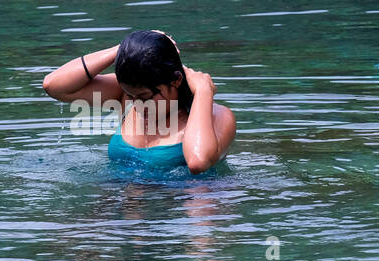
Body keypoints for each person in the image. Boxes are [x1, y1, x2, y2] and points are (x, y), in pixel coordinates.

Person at [41, 30, 236, 174]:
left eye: (144, 97)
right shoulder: (128, 95)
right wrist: (126, 49)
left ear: (176, 81)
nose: (135, 104)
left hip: (179, 213)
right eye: (129, 95)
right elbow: (54, 85)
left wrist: (203, 91)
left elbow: (198, 162)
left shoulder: (218, 116)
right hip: (122, 207)